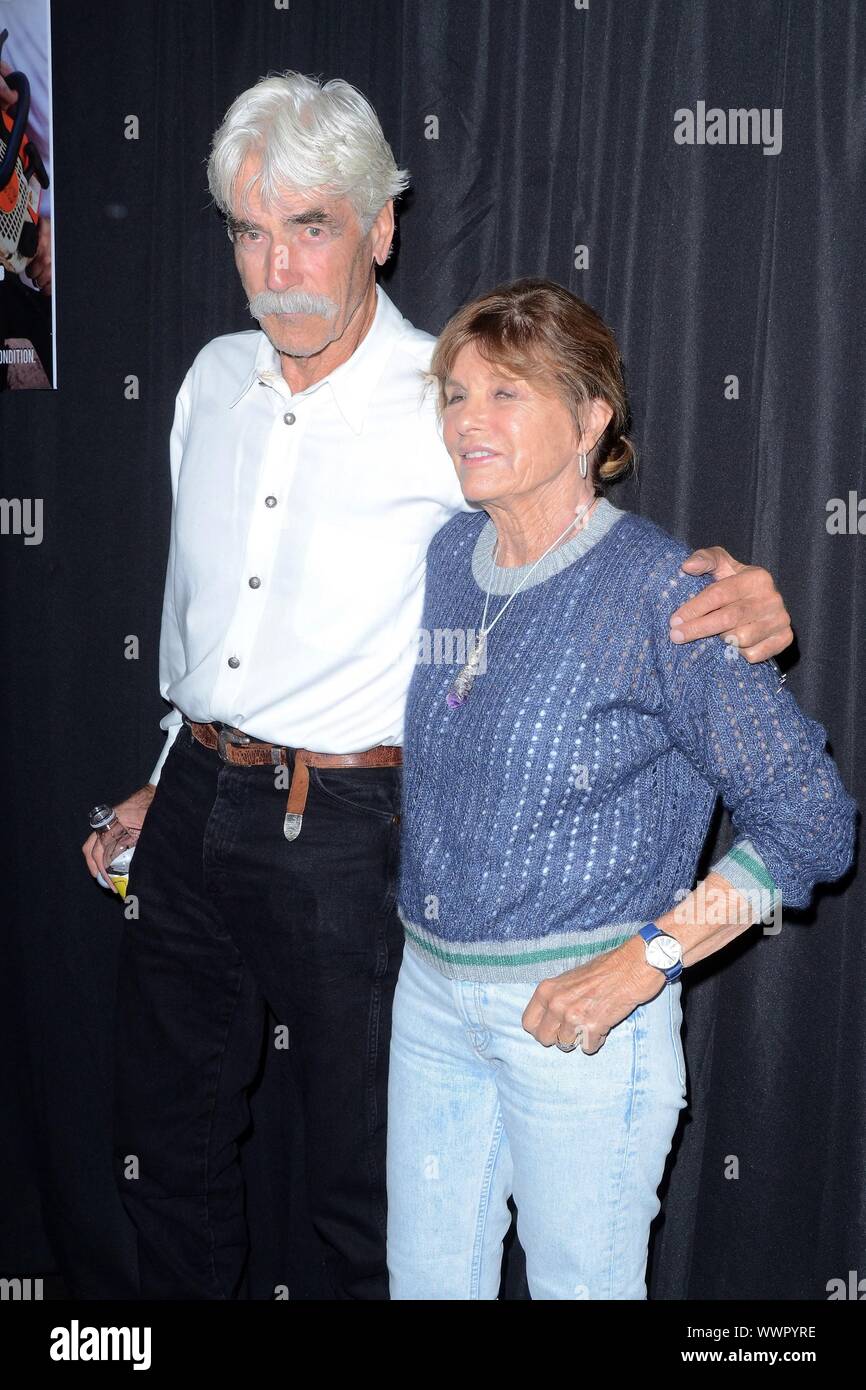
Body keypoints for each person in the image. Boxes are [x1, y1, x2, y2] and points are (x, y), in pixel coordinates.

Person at [81, 72, 795, 1301]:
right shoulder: (206, 384)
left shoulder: (449, 404)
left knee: (374, 1193)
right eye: (250, 230)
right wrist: (164, 778)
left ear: (379, 228)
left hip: (350, 832)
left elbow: (589, 552)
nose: (277, 265)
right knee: (167, 1149)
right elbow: (198, 615)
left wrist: (744, 599)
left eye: (309, 225)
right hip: (194, 800)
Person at [386, 277, 858, 1300]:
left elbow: (811, 824)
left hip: (581, 1025)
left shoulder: (665, 592)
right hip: (428, 1002)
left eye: (505, 393)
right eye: (456, 395)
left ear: (592, 416)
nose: (468, 420)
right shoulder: (444, 559)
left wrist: (647, 958)